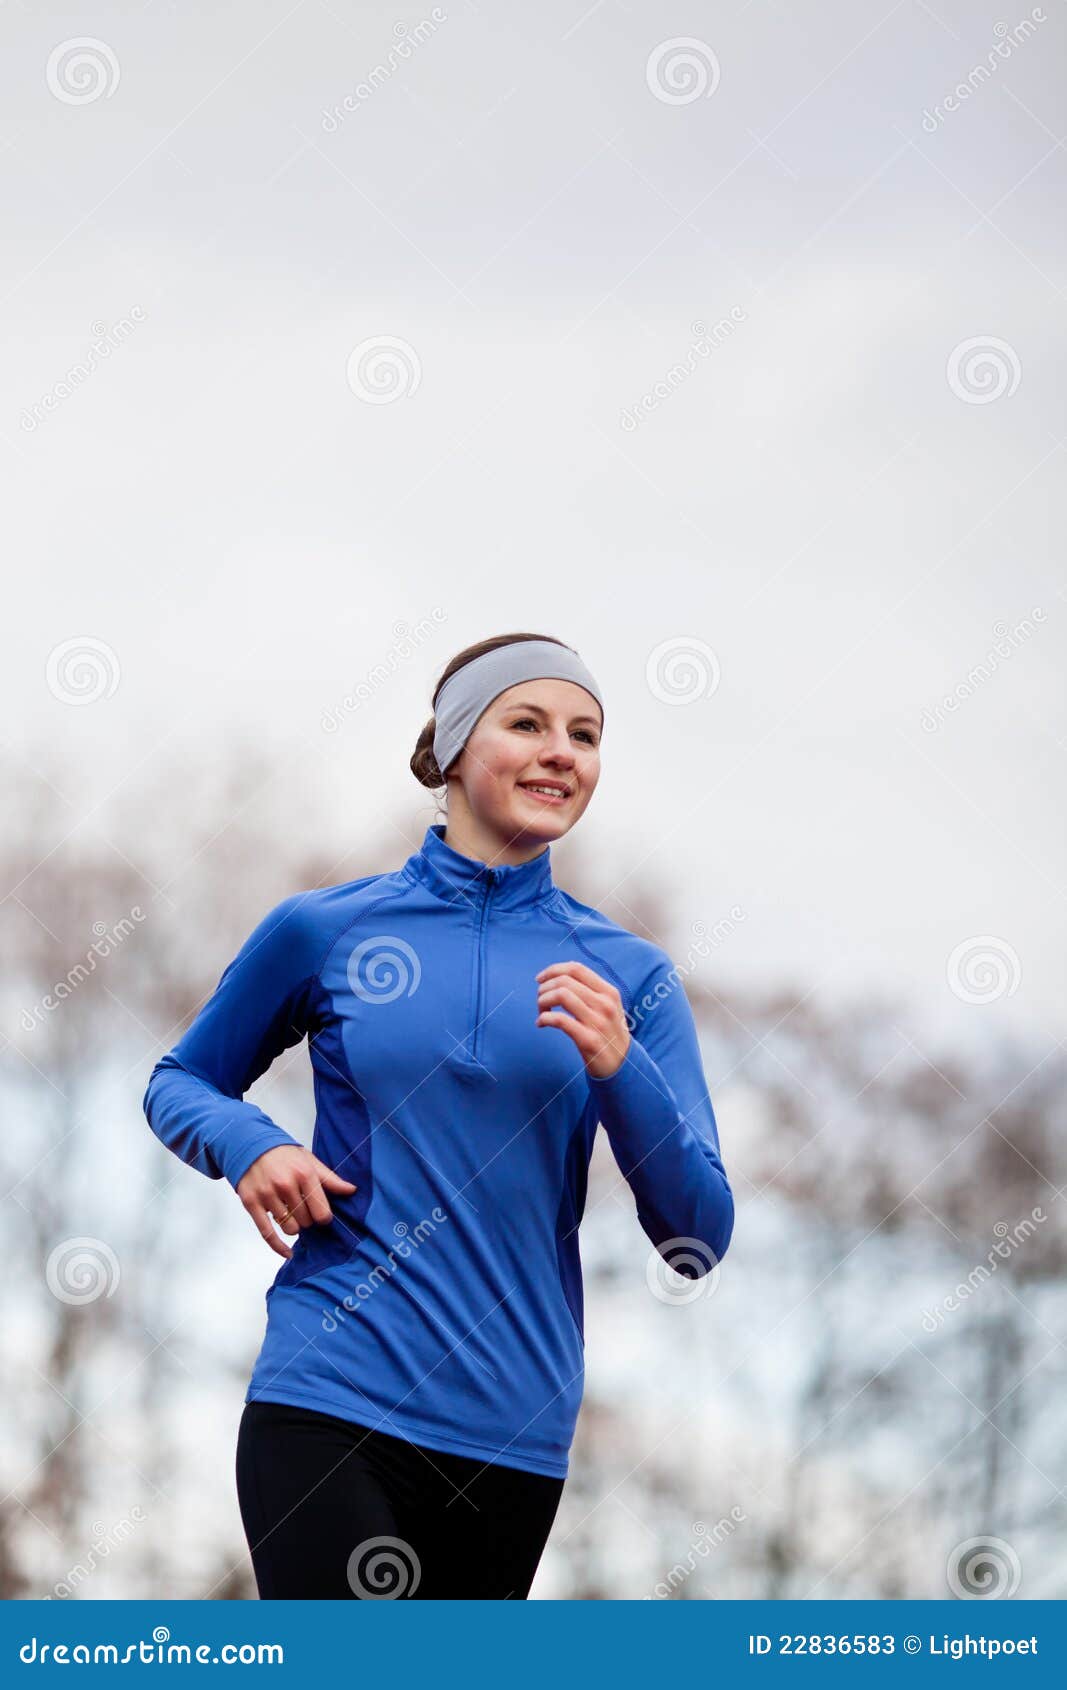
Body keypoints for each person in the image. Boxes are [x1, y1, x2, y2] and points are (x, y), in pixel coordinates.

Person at [142, 631, 734, 1599]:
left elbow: (695, 1232)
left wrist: (621, 1069)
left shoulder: (629, 976)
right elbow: (179, 1080)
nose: (561, 751)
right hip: (330, 1389)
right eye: (528, 723)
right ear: (455, 748)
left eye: (584, 735)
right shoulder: (327, 928)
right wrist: (249, 1143)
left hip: (510, 1431)